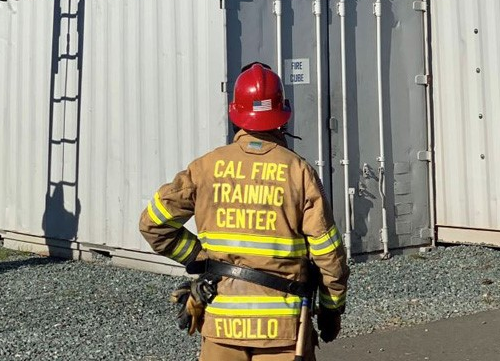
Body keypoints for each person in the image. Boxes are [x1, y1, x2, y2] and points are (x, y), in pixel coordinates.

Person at [139, 62, 349, 360]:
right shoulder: (299, 172)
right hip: (283, 330)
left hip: (222, 324)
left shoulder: (205, 167)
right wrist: (331, 309)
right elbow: (329, 254)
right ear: (282, 116)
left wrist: (202, 260)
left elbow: (153, 224)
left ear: (235, 112)